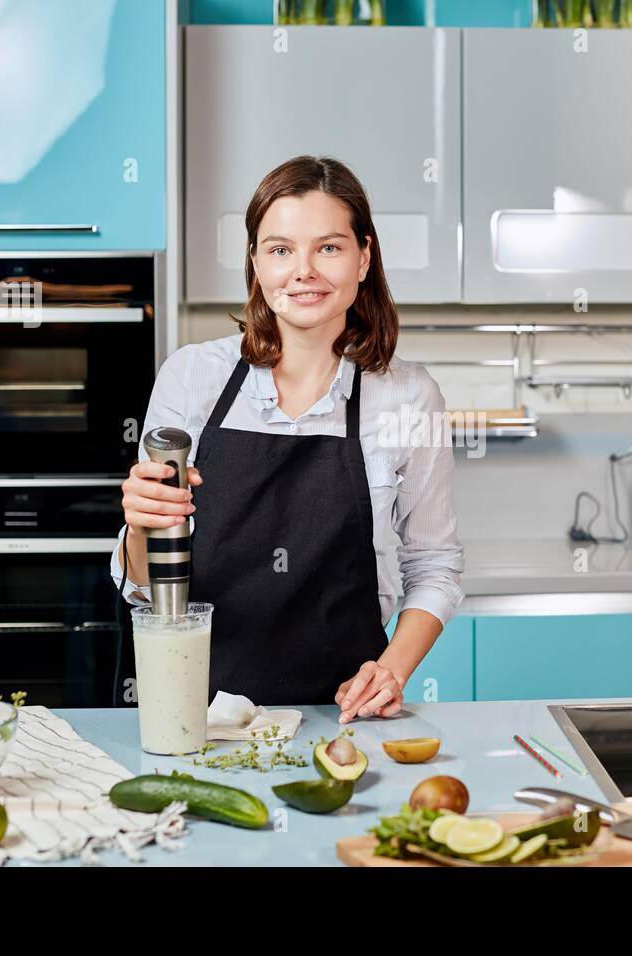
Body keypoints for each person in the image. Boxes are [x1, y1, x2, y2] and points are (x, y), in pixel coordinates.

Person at [112, 155, 464, 723]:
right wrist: (141, 527)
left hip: (345, 718)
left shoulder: (408, 396)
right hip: (198, 715)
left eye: (328, 247)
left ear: (364, 257)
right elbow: (148, 584)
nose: (304, 271)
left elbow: (435, 567)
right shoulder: (193, 378)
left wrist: (391, 670)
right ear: (255, 262)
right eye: (280, 250)